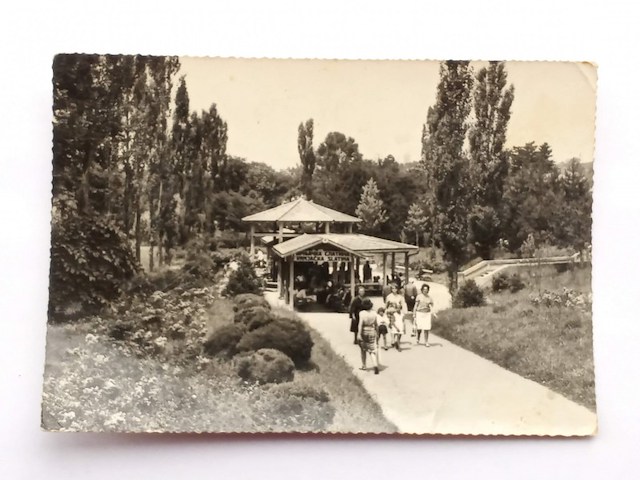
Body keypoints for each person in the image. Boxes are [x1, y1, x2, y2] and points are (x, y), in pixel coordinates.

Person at [357, 298, 379, 374]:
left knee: (363, 350)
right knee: (372, 350)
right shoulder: (374, 313)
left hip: (364, 331)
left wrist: (359, 334)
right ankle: (375, 365)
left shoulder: (362, 313)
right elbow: (376, 325)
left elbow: (360, 324)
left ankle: (364, 365)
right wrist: (377, 334)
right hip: (372, 331)